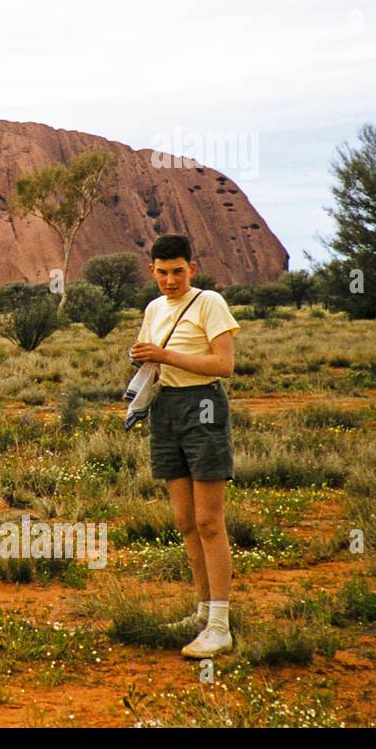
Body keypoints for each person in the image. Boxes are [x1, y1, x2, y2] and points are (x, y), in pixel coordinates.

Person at [132, 234, 240, 658]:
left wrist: (164, 355)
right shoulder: (154, 309)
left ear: (191, 268)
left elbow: (224, 365)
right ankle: (201, 611)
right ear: (152, 271)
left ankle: (220, 625)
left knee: (209, 520)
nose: (170, 280)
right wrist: (143, 358)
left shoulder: (209, 302)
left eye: (178, 271)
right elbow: (153, 358)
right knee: (185, 520)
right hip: (166, 409)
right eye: (162, 272)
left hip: (204, 407)